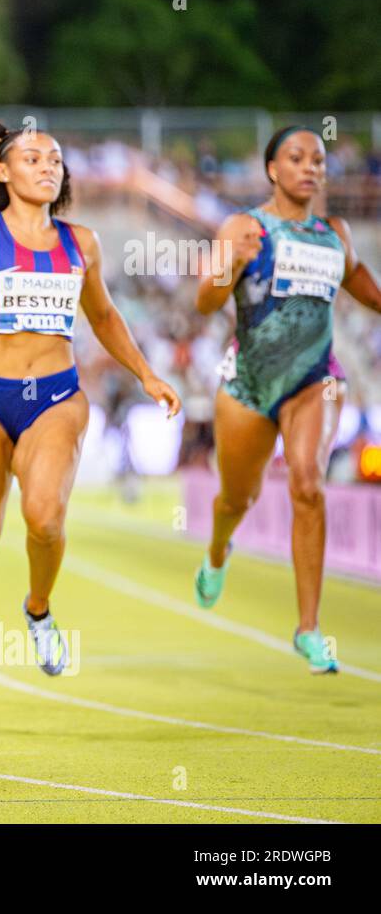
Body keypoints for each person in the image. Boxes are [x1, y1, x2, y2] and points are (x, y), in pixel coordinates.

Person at [0, 120, 180, 721]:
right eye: (33, 157)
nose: (48, 166)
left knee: (45, 517)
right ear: (2, 172)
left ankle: (37, 608)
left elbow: (104, 318)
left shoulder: (82, 242)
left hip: (57, 396)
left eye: (55, 158)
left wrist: (146, 374)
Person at [195, 126, 381, 674]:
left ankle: (309, 628)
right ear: (273, 169)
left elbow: (362, 282)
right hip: (249, 384)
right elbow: (206, 301)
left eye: (318, 160)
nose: (310, 168)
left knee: (307, 482)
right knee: (237, 499)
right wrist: (231, 264)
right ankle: (217, 550)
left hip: (315, 380)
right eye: (296, 158)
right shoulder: (245, 226)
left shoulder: (334, 234)